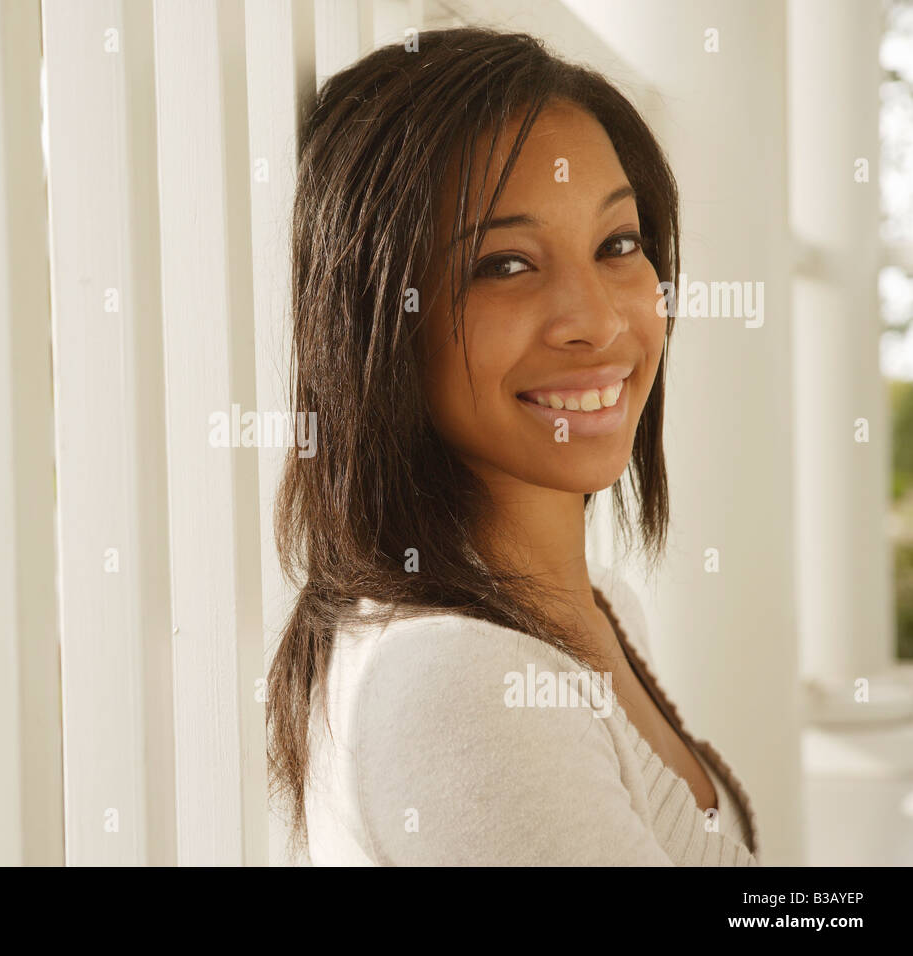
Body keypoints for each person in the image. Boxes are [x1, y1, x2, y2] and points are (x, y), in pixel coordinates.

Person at [266, 26, 758, 866]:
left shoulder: (595, 607)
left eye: (618, 245)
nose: (598, 320)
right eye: (504, 264)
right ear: (380, 323)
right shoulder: (457, 684)